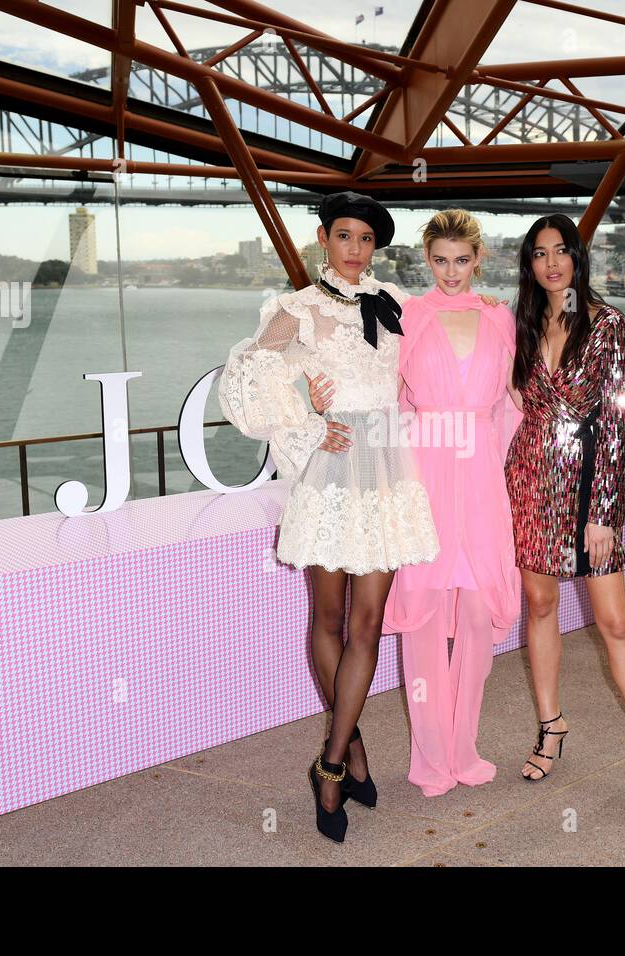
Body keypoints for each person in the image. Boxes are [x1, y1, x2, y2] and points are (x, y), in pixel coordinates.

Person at [216, 191, 440, 842]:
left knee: (367, 622)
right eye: (344, 236)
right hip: (332, 468)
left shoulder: (393, 302)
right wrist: (305, 419)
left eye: (366, 240)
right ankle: (352, 746)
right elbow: (246, 378)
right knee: (329, 618)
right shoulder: (297, 307)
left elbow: (428, 363)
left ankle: (332, 762)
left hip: (386, 471)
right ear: (323, 238)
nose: (354, 249)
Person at [503, 213, 625, 816]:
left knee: (614, 622)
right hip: (531, 481)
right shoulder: (522, 325)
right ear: (529, 265)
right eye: (539, 253)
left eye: (561, 251)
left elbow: (616, 422)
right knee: (539, 606)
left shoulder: (609, 325)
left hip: (587, 488)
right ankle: (552, 725)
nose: (551, 263)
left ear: (578, 258)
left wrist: (604, 512)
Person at [379, 209, 521, 797]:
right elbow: (392, 401)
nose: (451, 272)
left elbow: (508, 405)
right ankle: (431, 757)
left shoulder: (500, 317)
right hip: (427, 473)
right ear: (426, 259)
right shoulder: (409, 316)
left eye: (462, 260)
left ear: (478, 258)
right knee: (425, 619)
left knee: (475, 622)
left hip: (484, 479)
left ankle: (466, 749)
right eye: (440, 260)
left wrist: (500, 466)